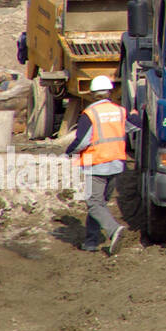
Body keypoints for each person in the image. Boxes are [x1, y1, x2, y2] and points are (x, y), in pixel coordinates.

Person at [65, 75, 128, 255]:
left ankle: (113, 229)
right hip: (116, 164)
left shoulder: (90, 114)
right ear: (109, 92)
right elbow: (133, 127)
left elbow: (82, 141)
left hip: (97, 164)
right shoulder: (120, 111)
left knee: (94, 203)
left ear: (92, 94)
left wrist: (69, 152)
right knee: (100, 203)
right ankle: (91, 241)